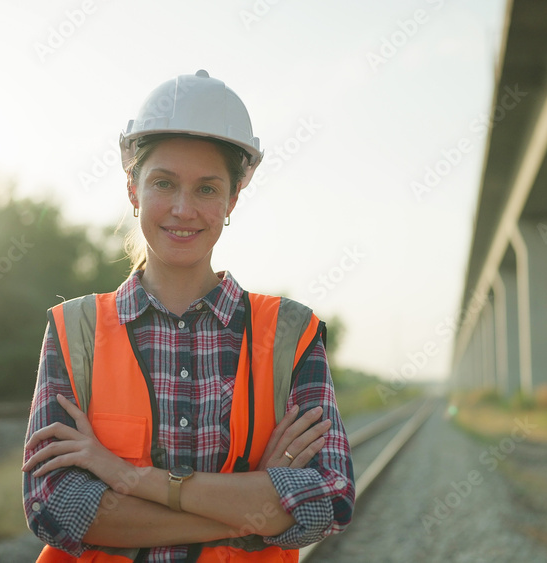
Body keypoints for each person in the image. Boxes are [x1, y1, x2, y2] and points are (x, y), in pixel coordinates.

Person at [22, 70, 355, 562]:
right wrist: (252, 507)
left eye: (206, 189)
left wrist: (123, 476)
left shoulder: (289, 334)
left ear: (231, 201)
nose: (183, 208)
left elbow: (327, 499)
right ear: (133, 191)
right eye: (163, 183)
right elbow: (54, 508)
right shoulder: (77, 332)